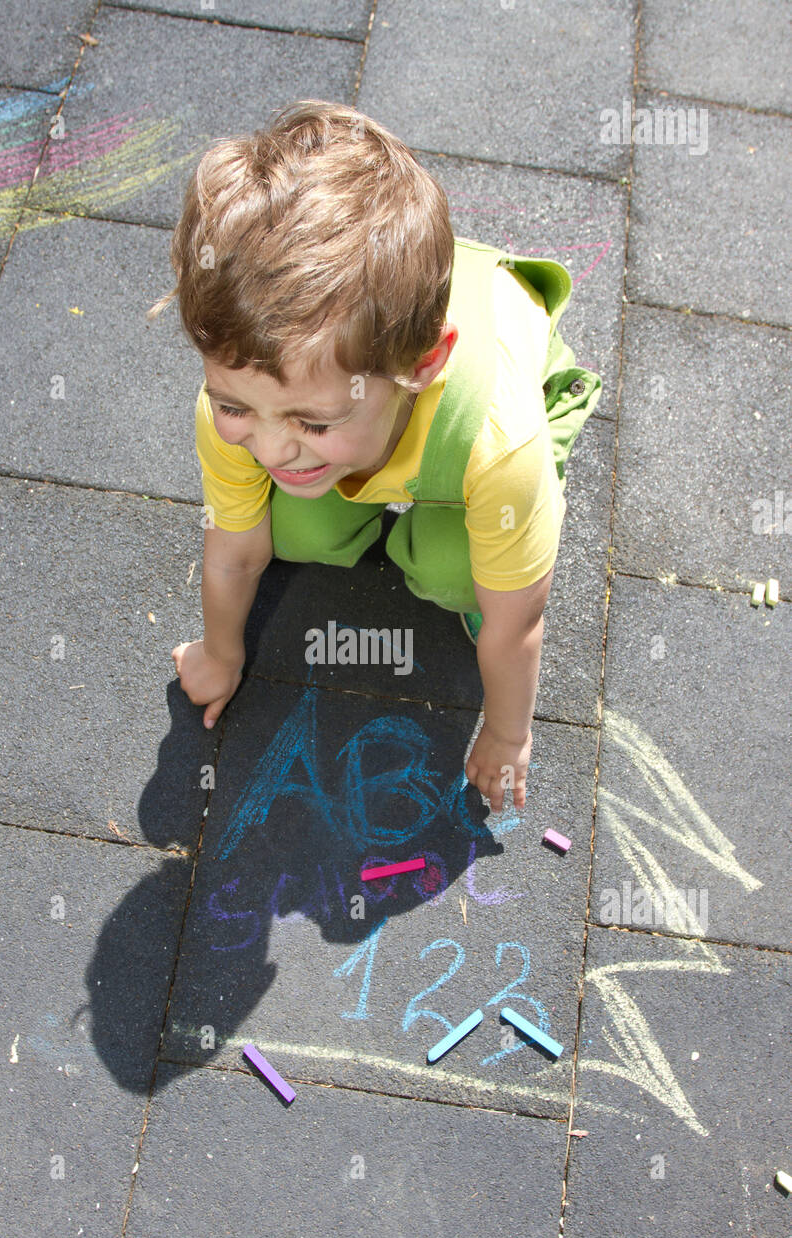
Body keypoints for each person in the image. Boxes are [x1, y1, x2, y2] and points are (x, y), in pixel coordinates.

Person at [152, 100, 600, 814]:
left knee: (453, 572)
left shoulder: (501, 443)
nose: (267, 445)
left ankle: (430, 533)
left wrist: (509, 736)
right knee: (294, 525)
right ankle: (353, 486)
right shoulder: (255, 401)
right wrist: (219, 654)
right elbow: (234, 551)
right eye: (237, 407)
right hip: (391, 416)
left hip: (484, 423)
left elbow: (519, 624)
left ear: (422, 365)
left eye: (310, 420)